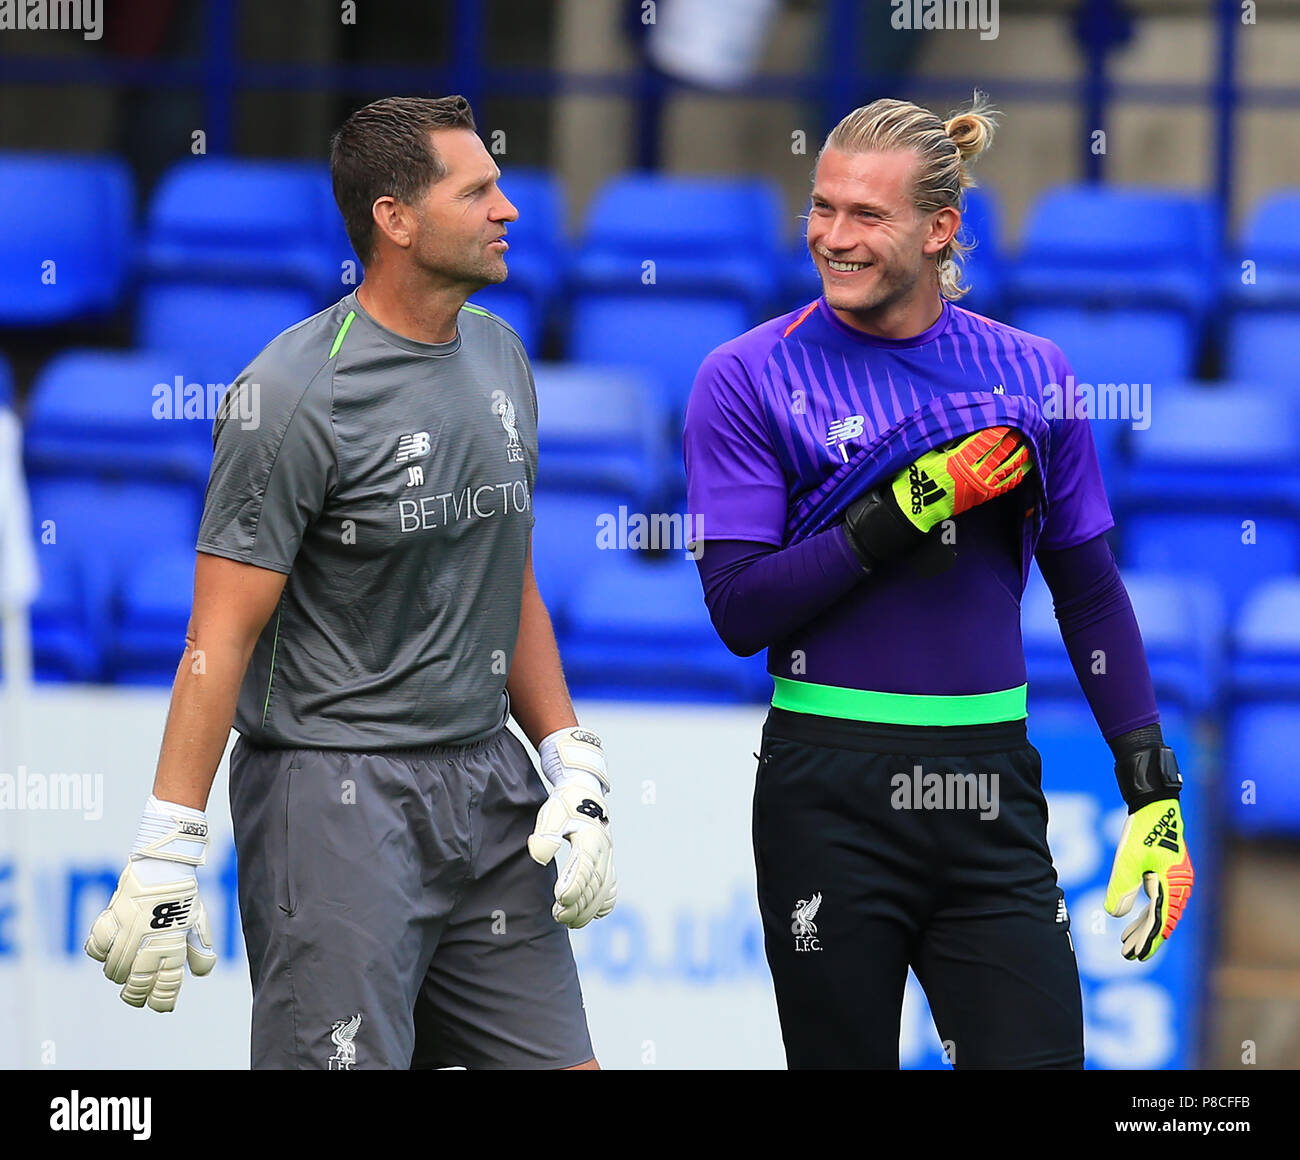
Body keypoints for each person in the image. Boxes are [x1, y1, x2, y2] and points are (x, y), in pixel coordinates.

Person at [85, 94, 615, 1071]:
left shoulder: (501, 353)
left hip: (490, 790)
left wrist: (567, 755)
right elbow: (218, 638)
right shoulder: (287, 394)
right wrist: (168, 843)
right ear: (396, 219)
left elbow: (508, 570)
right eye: (480, 190)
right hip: (335, 799)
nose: (510, 209)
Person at [682, 94, 1192, 1069]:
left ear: (940, 227)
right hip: (824, 788)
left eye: (865, 215)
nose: (833, 237)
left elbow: (1087, 592)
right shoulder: (746, 375)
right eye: (820, 209)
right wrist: (899, 512)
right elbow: (740, 610)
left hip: (987, 784)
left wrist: (1149, 790)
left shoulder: (1030, 373)